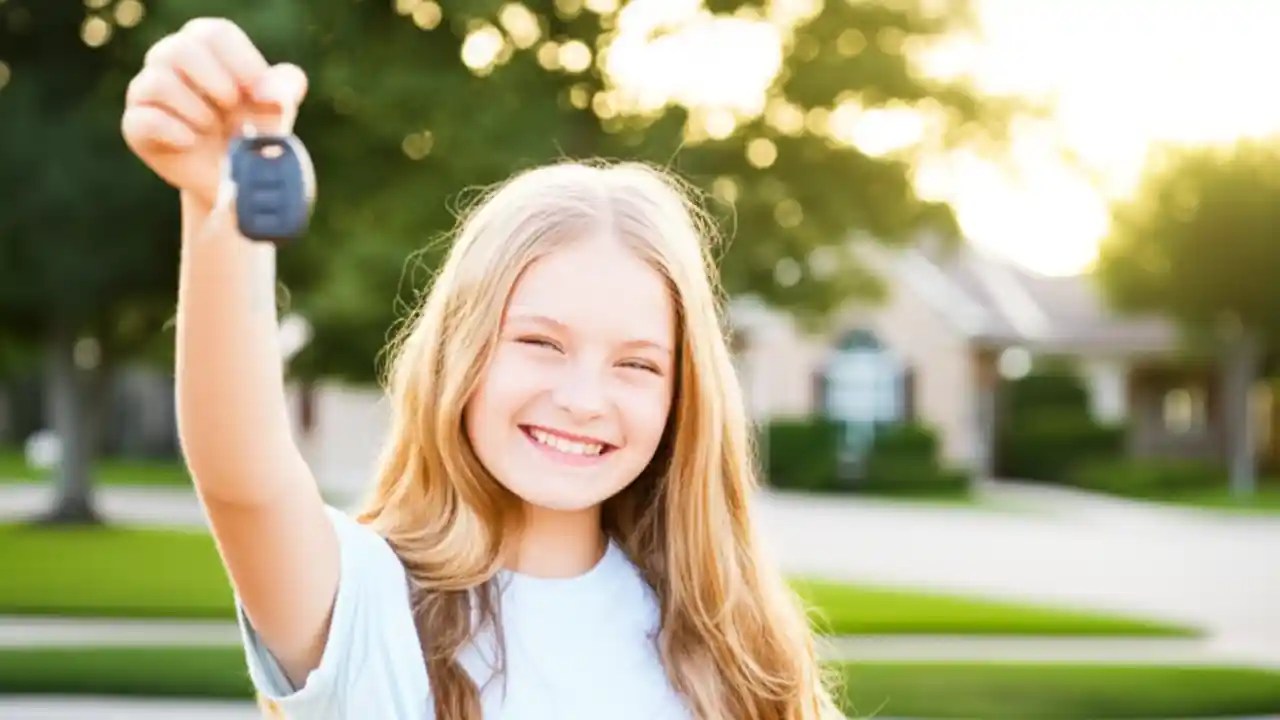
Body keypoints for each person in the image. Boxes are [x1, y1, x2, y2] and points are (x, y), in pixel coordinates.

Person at [120, 16, 844, 720]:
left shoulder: (731, 646)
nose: (584, 398)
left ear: (682, 399)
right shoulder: (369, 606)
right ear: (459, 353)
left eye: (636, 364)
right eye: (540, 343)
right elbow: (242, 476)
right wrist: (222, 206)